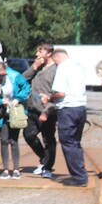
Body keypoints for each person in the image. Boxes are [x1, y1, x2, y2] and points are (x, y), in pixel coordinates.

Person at [46, 48, 89, 186]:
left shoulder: (62, 68)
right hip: (81, 108)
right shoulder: (79, 67)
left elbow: (60, 93)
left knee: (68, 142)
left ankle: (79, 177)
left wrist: (48, 98)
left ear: (56, 58)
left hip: (68, 109)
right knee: (75, 142)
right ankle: (80, 174)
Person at [22, 44, 58, 178]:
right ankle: (43, 158)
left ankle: (48, 167)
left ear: (49, 54)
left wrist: (48, 107)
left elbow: (57, 91)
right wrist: (34, 67)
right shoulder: (37, 68)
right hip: (32, 108)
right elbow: (22, 79)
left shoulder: (56, 70)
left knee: (48, 139)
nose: (37, 54)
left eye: (40, 51)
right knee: (28, 135)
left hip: (47, 110)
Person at [0, 59, 30, 178]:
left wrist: (18, 98)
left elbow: (26, 88)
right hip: (2, 113)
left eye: (2, 75)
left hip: (14, 112)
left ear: (5, 70)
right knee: (3, 140)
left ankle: (16, 169)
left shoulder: (15, 76)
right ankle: (5, 169)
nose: (0, 77)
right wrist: (0, 101)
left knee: (13, 140)